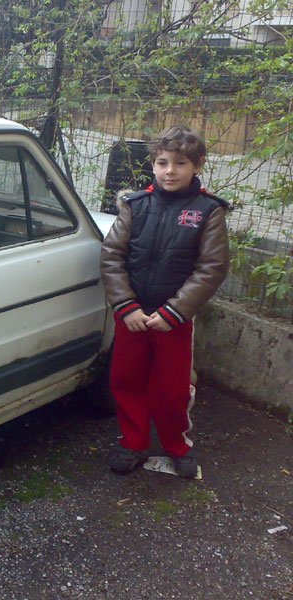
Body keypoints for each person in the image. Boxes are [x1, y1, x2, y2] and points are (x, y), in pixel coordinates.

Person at [100, 125, 230, 478]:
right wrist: (126, 306)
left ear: (198, 165)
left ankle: (177, 446)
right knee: (126, 381)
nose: (169, 171)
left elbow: (212, 267)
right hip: (133, 317)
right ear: (153, 165)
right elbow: (112, 256)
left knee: (172, 390)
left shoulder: (208, 211)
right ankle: (133, 443)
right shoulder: (134, 205)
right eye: (162, 162)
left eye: (180, 163)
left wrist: (175, 311)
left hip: (174, 320)